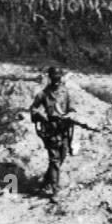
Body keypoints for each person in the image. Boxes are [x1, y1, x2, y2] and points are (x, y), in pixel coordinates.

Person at [30, 66, 74, 196]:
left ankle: (47, 180)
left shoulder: (65, 91)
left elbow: (71, 106)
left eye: (58, 78)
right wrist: (42, 117)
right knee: (54, 160)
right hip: (51, 131)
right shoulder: (43, 94)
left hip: (64, 129)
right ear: (50, 77)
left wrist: (71, 114)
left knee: (62, 156)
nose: (56, 80)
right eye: (54, 77)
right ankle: (54, 190)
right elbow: (33, 109)